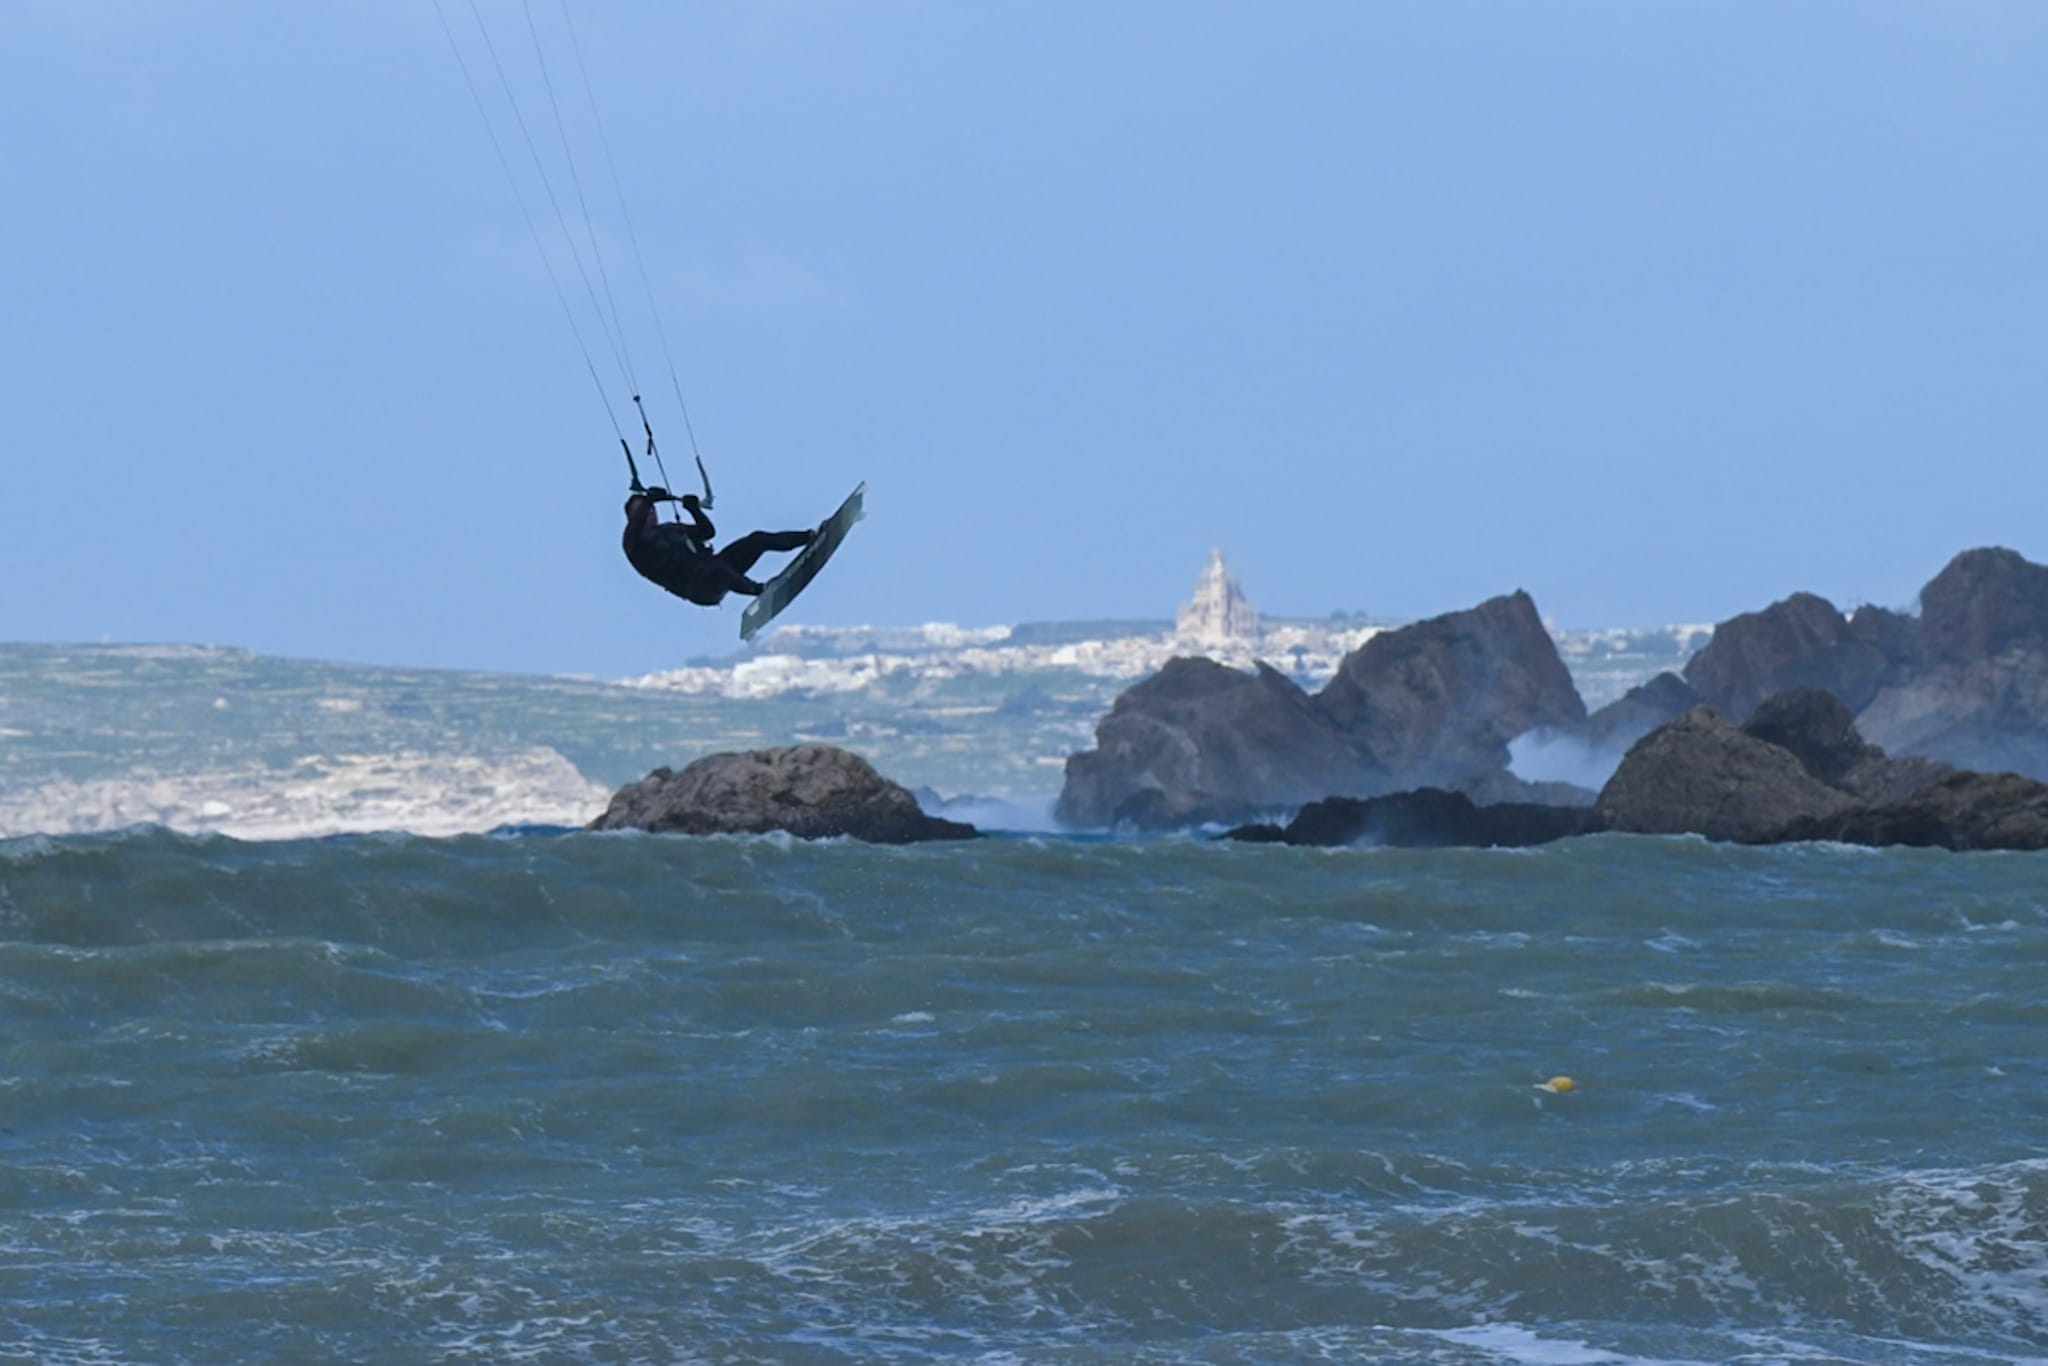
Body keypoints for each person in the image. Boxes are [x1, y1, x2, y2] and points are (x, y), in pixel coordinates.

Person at [621, 486, 814, 607]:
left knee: (757, 539)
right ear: (632, 517)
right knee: (718, 570)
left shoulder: (670, 528)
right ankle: (760, 590)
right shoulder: (633, 545)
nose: (650, 514)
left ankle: (809, 536)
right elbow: (636, 524)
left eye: (652, 511)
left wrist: (694, 510)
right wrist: (647, 500)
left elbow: (707, 532)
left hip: (716, 567)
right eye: (644, 512)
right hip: (699, 588)